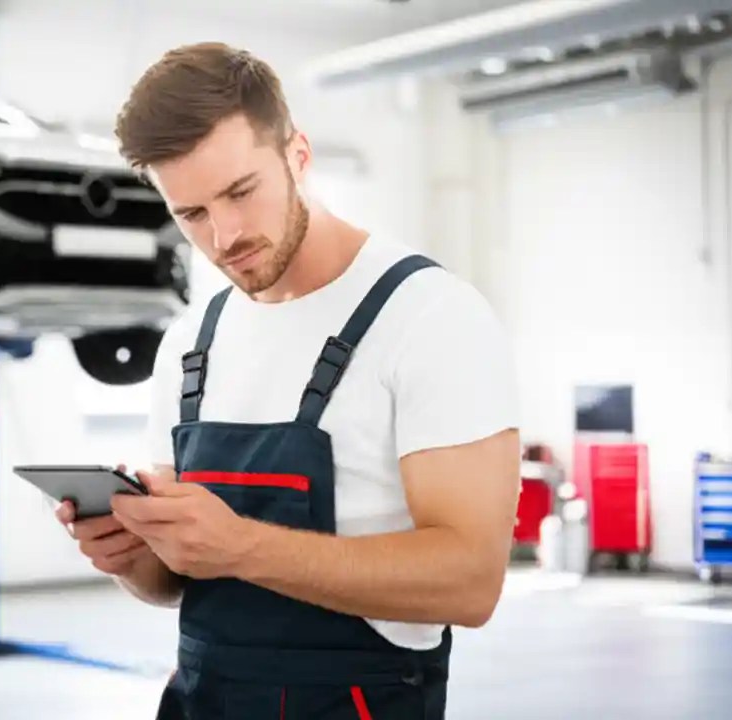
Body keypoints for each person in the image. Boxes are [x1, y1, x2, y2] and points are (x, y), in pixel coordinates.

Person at [54, 42, 521, 719]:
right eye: (192, 215)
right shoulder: (189, 343)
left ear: (297, 154)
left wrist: (242, 545)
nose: (226, 235)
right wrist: (133, 556)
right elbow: (176, 581)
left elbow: (471, 583)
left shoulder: (431, 318)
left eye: (241, 191)